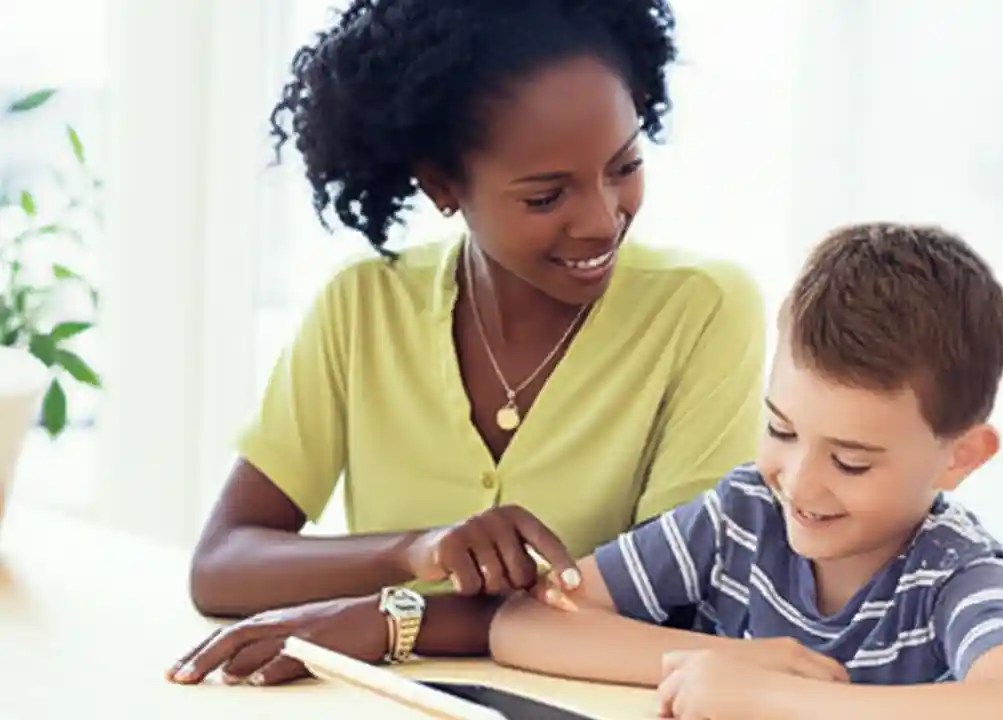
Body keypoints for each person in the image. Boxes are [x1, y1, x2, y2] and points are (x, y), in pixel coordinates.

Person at [166, 0, 765, 688]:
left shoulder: (702, 309)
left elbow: (676, 607)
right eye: (546, 198)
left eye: (624, 166)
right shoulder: (362, 308)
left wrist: (390, 620)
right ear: (443, 185)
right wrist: (414, 553)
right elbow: (222, 567)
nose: (602, 221)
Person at [491, 223, 1003, 720]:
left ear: (960, 457)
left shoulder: (952, 572)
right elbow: (526, 623)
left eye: (851, 462)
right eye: (781, 431)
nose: (799, 482)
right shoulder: (741, 517)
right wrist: (736, 664)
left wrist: (777, 696)